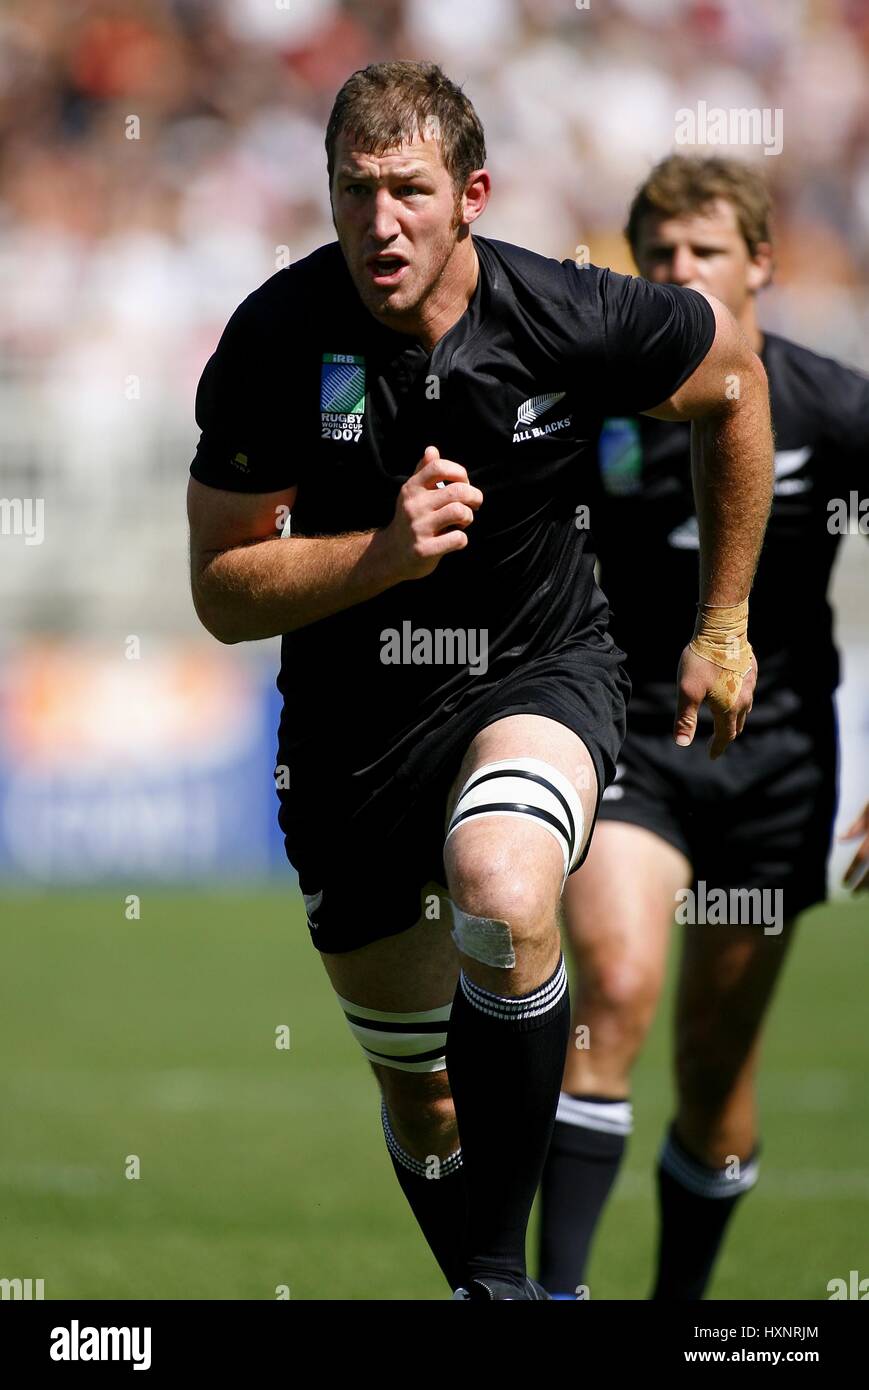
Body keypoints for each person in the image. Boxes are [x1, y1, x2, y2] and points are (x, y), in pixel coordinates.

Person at [186, 66, 773, 1300]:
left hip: (537, 674)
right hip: (351, 742)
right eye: (354, 192)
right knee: (422, 1095)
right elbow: (222, 590)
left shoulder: (560, 311)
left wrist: (722, 623)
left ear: (471, 196)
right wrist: (378, 555)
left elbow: (732, 381)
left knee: (501, 889)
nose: (378, 222)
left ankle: (505, 1286)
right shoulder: (275, 340)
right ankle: (492, 1286)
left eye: (408, 190)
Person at [538, 153, 869, 1301]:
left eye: (704, 252)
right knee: (615, 989)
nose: (679, 272)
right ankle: (552, 1297)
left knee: (713, 1070)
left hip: (779, 763)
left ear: (760, 264)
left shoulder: (829, 405)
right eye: (660, 254)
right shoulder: (596, 405)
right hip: (628, 738)